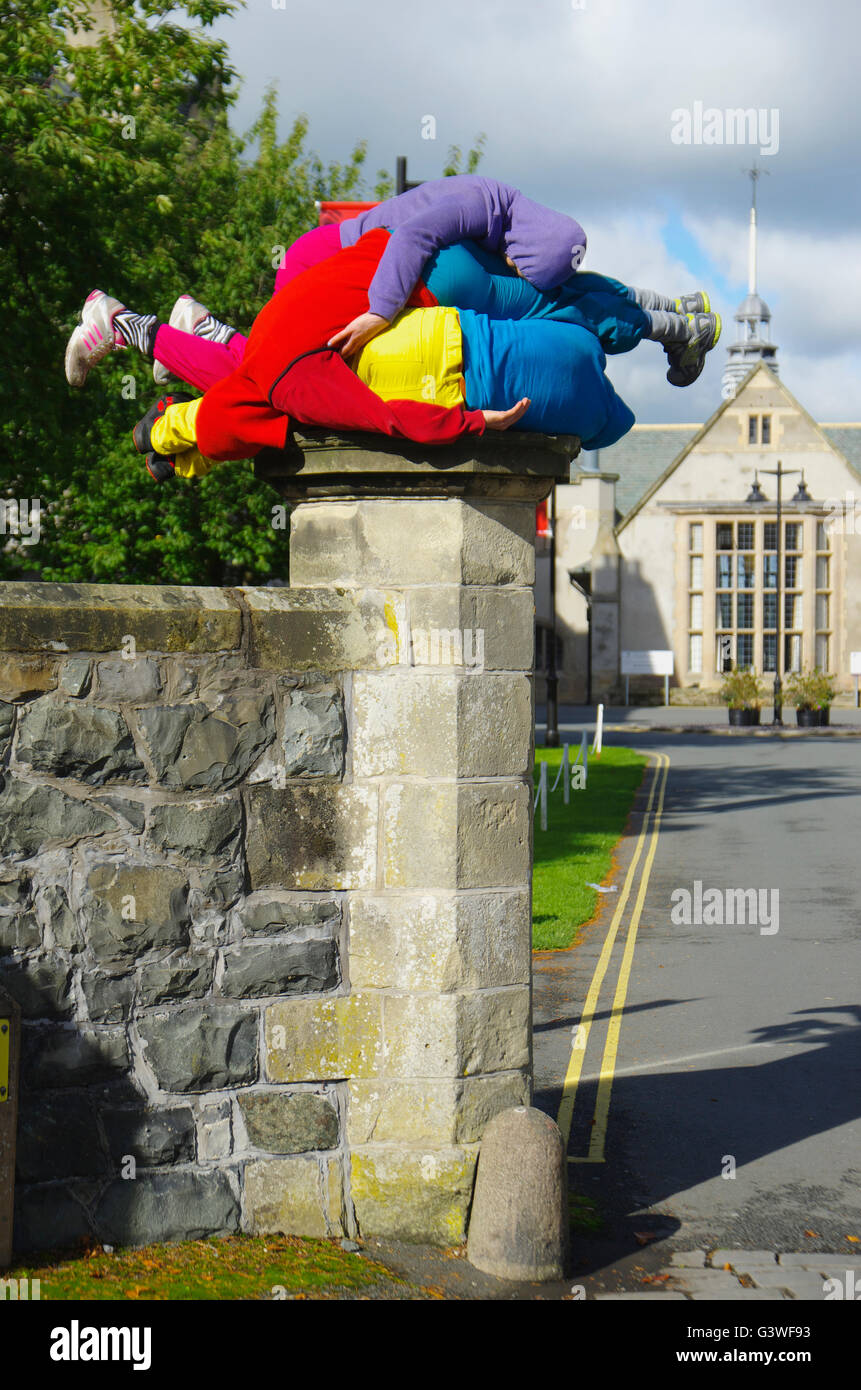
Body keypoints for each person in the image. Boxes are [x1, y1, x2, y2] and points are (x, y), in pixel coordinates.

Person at [65, 176, 720, 393]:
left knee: (575, 301)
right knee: (265, 378)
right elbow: (409, 238)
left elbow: (569, 285)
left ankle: (184, 328)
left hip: (343, 264)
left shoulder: (499, 229)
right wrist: (381, 312)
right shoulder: (475, 211)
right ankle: (133, 326)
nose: (521, 269)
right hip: (333, 268)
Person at [125, 229, 635, 482]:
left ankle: (174, 435)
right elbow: (383, 249)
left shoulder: (286, 383)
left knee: (599, 397)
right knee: (573, 311)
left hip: (462, 367)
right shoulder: (291, 314)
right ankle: (174, 433)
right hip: (447, 315)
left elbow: (384, 419)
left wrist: (473, 423)